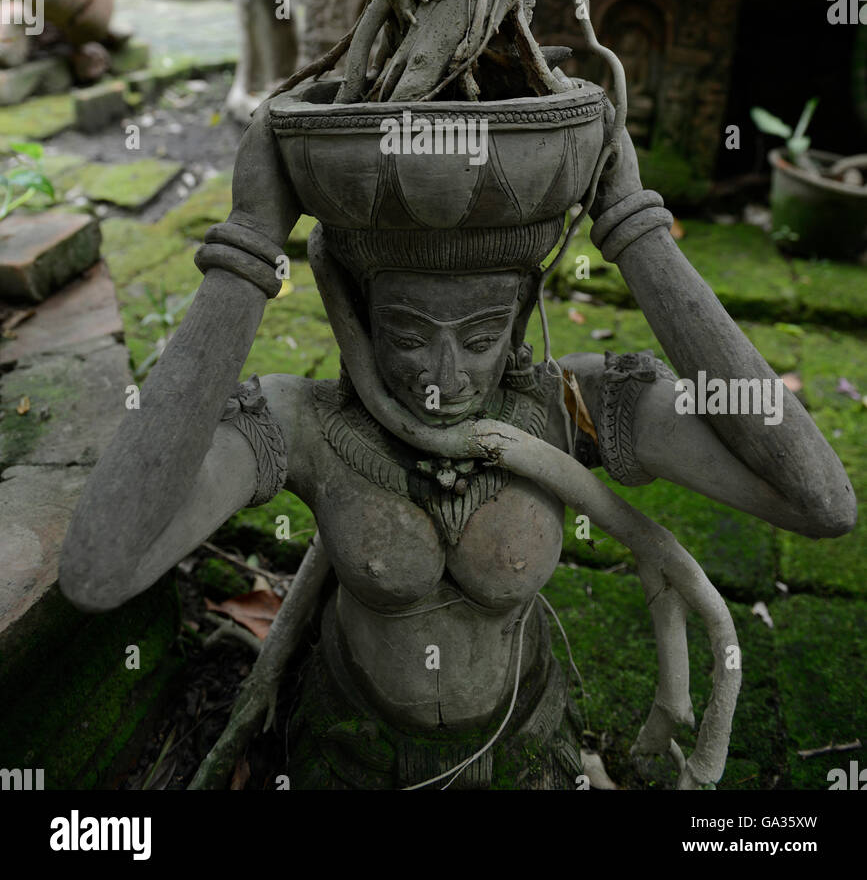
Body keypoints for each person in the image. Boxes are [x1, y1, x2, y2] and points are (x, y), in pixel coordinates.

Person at [59, 102, 856, 790]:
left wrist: (636, 229)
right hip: (351, 747)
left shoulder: (564, 405)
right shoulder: (302, 420)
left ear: (518, 324)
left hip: (524, 736)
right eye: (406, 334)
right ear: (363, 321)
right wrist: (246, 243)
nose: (442, 375)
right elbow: (102, 570)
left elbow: (815, 500)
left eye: (478, 339)